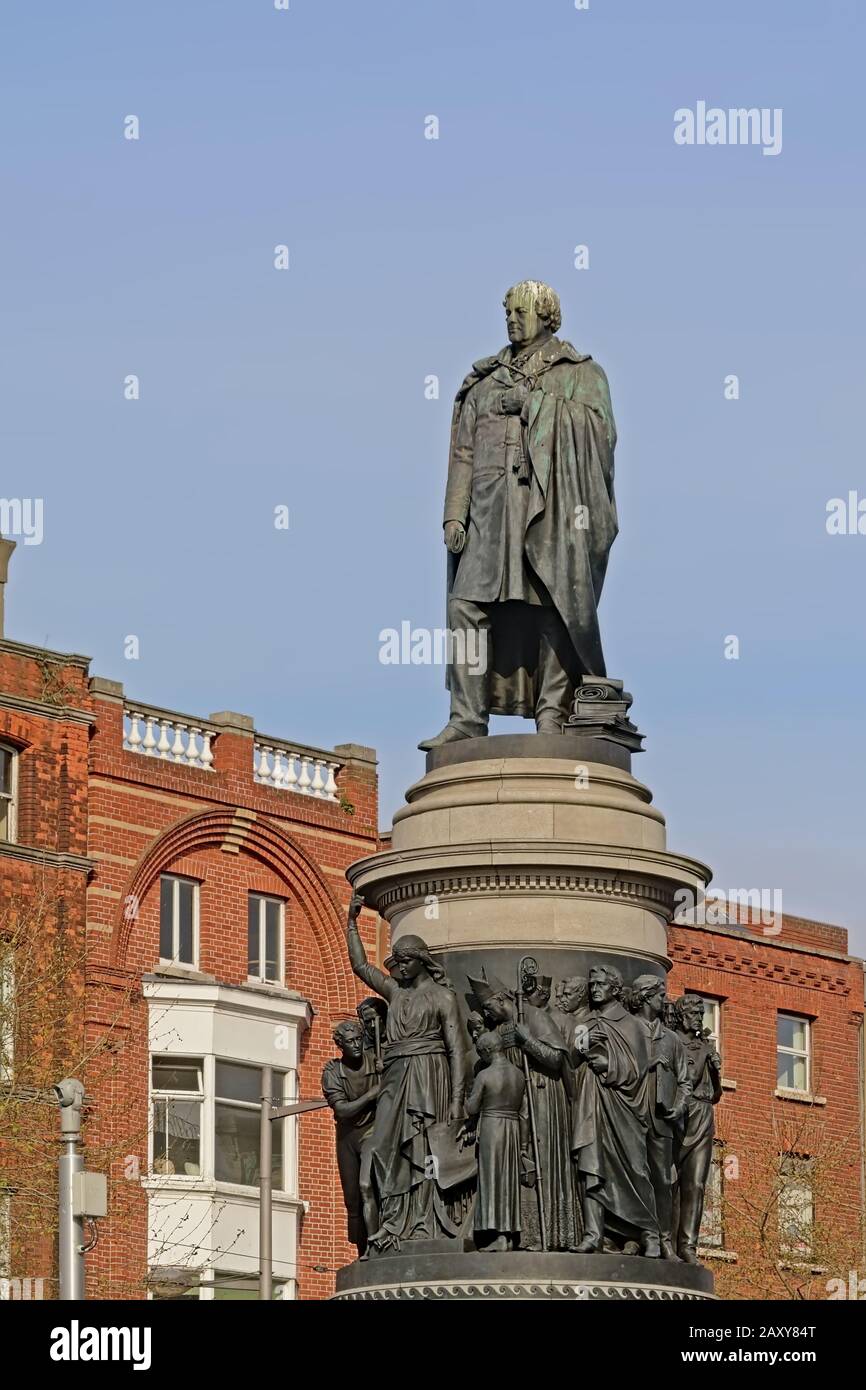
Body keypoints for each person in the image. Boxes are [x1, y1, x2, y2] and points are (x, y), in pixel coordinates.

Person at [420, 279, 618, 749]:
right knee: (465, 606)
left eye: (521, 311)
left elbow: (600, 435)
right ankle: (466, 717)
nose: (511, 318)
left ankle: (551, 714)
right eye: (507, 311)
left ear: (547, 316)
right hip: (488, 516)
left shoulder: (580, 373)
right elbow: (463, 452)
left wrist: (535, 405)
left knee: (550, 607)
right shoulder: (483, 382)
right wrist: (454, 515)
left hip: (545, 511)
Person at [345, 892, 466, 1250]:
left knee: (424, 1145)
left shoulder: (443, 998)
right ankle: (394, 1220)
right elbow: (360, 967)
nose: (397, 967)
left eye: (403, 961)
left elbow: (457, 1049)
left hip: (429, 1073)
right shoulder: (395, 993)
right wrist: (351, 922)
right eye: (395, 961)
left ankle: (423, 1221)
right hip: (395, 1077)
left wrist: (457, 1100)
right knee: (384, 1146)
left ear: (420, 961)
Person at [468, 971, 578, 1251]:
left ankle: (548, 1235)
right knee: (521, 1165)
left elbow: (557, 1059)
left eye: (489, 1006)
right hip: (518, 1105)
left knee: (542, 1164)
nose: (487, 1013)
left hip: (543, 1098)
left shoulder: (532, 1016)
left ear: (501, 999)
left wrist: (527, 1039)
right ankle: (520, 1235)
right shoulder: (501, 1029)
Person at [571, 965, 660, 1257]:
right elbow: (570, 1058)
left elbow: (640, 1069)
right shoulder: (585, 1021)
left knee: (635, 1168)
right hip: (592, 1101)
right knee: (592, 1165)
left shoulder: (633, 1025)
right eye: (592, 984)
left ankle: (647, 1233)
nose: (594, 989)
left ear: (615, 989)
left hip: (624, 1105)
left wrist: (609, 1065)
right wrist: (583, 1047)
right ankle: (593, 1234)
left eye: (600, 984)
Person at [626, 976, 691, 1260]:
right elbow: (618, 1070)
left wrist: (679, 1106)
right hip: (633, 1113)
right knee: (634, 1176)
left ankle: (664, 1239)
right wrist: (646, 1063)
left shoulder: (672, 1039)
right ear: (645, 997)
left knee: (662, 1180)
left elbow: (685, 1081)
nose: (663, 1000)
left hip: (663, 1118)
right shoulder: (628, 1031)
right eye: (659, 995)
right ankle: (641, 1236)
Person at [463, 1030, 529, 1251]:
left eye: (481, 1053)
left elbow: (472, 1108)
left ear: (488, 1051)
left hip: (492, 1127)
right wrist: (523, 1146)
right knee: (508, 1181)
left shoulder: (485, 1075)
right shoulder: (519, 1075)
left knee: (492, 1179)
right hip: (512, 1129)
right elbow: (525, 1113)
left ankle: (498, 1236)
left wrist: (468, 1098)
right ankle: (509, 1234)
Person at [321, 1019, 380, 1256]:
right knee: (352, 1199)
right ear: (340, 1044)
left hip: (372, 1132)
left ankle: (375, 1244)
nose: (356, 1045)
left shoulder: (375, 1060)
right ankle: (361, 1249)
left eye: (358, 1039)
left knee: (369, 1187)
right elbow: (342, 1110)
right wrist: (371, 1095)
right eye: (350, 1041)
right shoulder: (332, 1072)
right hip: (347, 1137)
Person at [670, 995, 722, 1263]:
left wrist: (715, 1069)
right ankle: (668, 1241)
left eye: (701, 1013)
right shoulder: (671, 1042)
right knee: (671, 1181)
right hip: (679, 1113)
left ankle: (688, 1245)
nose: (699, 1017)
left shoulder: (705, 1046)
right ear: (681, 1015)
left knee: (697, 1183)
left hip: (702, 1113)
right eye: (693, 1012)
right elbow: (683, 1079)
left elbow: (716, 1095)